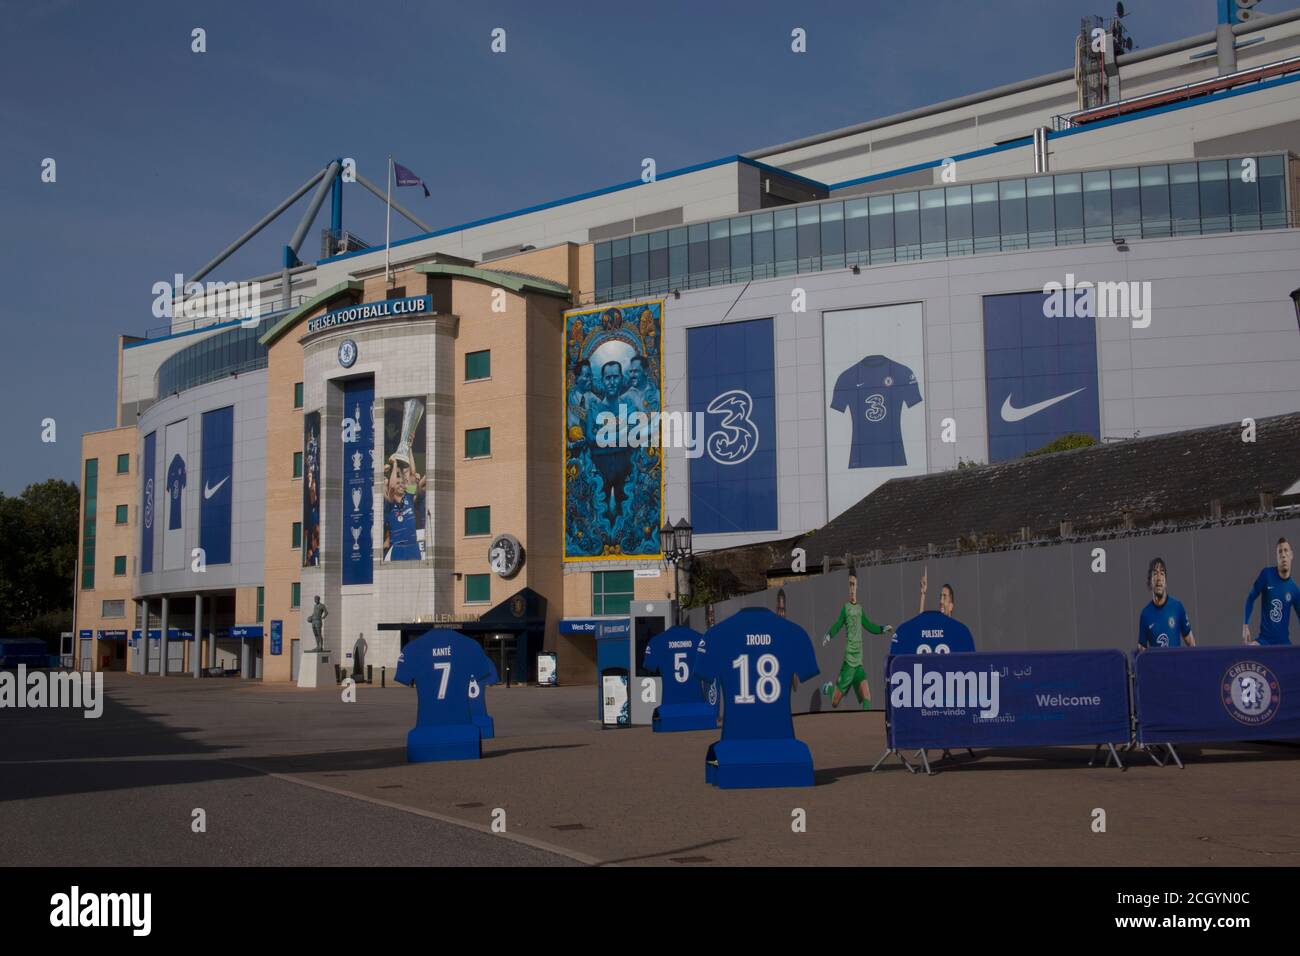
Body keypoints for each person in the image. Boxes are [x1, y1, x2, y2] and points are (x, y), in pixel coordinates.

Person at [821, 569, 892, 709]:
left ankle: (866, 728)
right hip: (849, 662)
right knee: (835, 702)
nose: (852, 588)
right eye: (850, 584)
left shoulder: (859, 609)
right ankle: (829, 689)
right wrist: (829, 634)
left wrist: (883, 628)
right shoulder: (845, 608)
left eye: (854, 584)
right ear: (848, 587)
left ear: (857, 586)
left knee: (867, 697)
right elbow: (838, 624)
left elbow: (869, 626)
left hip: (858, 663)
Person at [1243, 537, 1300, 645]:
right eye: (1280, 551)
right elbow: (1251, 597)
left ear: (1291, 555)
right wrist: (1245, 625)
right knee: (1246, 653)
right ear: (1277, 557)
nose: (1283, 555)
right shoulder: (1266, 575)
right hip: (1264, 642)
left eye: (1286, 550)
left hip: (1284, 644)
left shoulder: (1294, 590)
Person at [1137, 557, 1195, 651]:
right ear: (1150, 582)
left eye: (1162, 573)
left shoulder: (1177, 607)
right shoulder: (1145, 614)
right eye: (1155, 574)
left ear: (1166, 582)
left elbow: (1191, 642)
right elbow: (1142, 649)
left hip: (1177, 665)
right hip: (1157, 665)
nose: (1159, 578)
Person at [384, 454, 425, 561]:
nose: (401, 485)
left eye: (402, 483)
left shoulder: (409, 497)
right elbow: (392, 486)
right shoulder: (390, 502)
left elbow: (412, 474)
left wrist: (410, 449)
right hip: (398, 548)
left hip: (413, 547)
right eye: (398, 483)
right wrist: (395, 465)